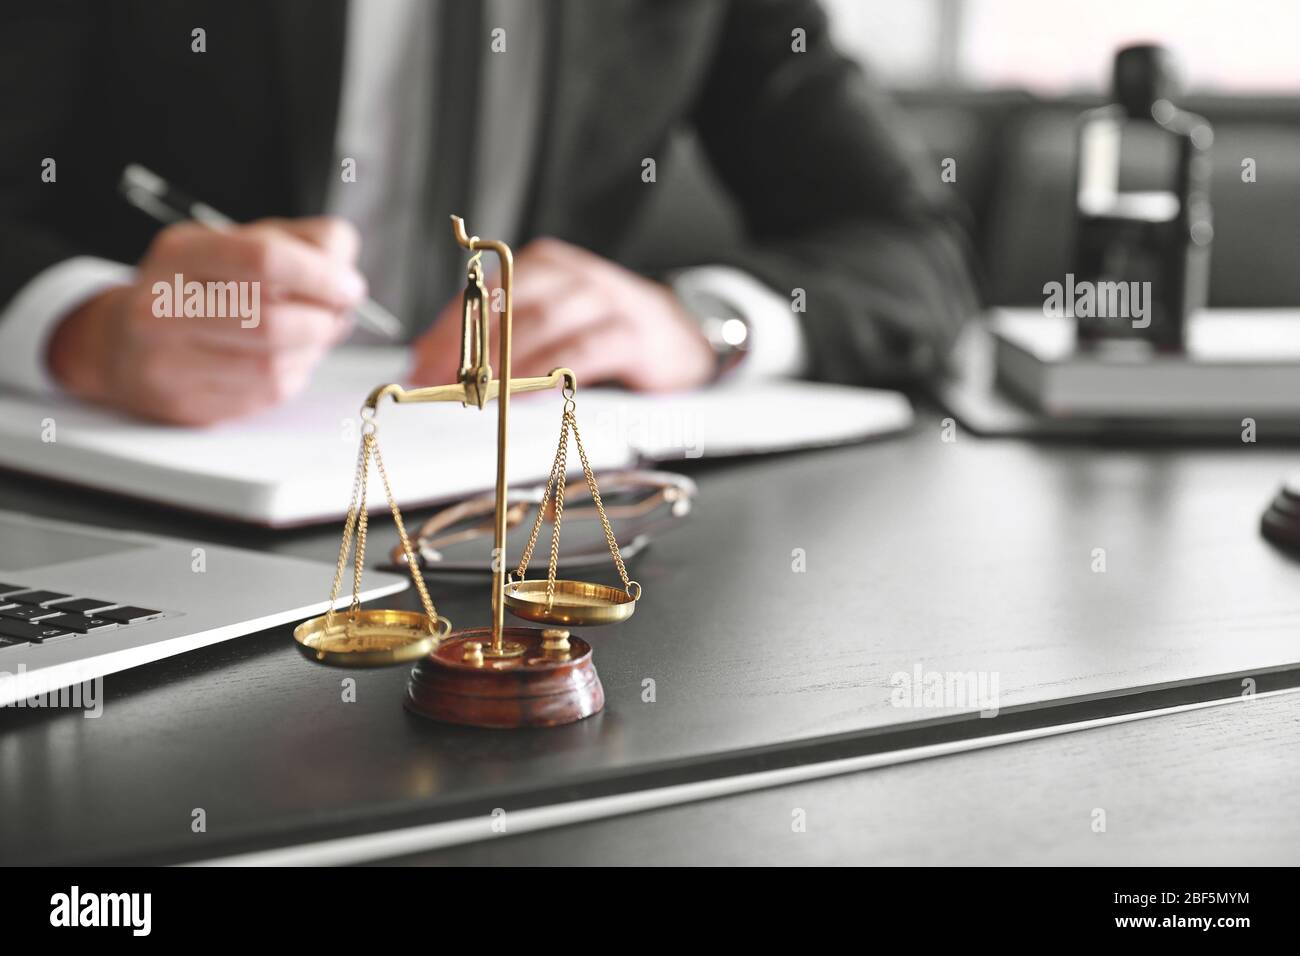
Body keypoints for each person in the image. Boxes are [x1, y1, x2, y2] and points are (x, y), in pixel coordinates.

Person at [0, 0, 978, 425]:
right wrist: (88, 330)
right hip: (133, 510)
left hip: (526, 533)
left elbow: (908, 248)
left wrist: (700, 321)